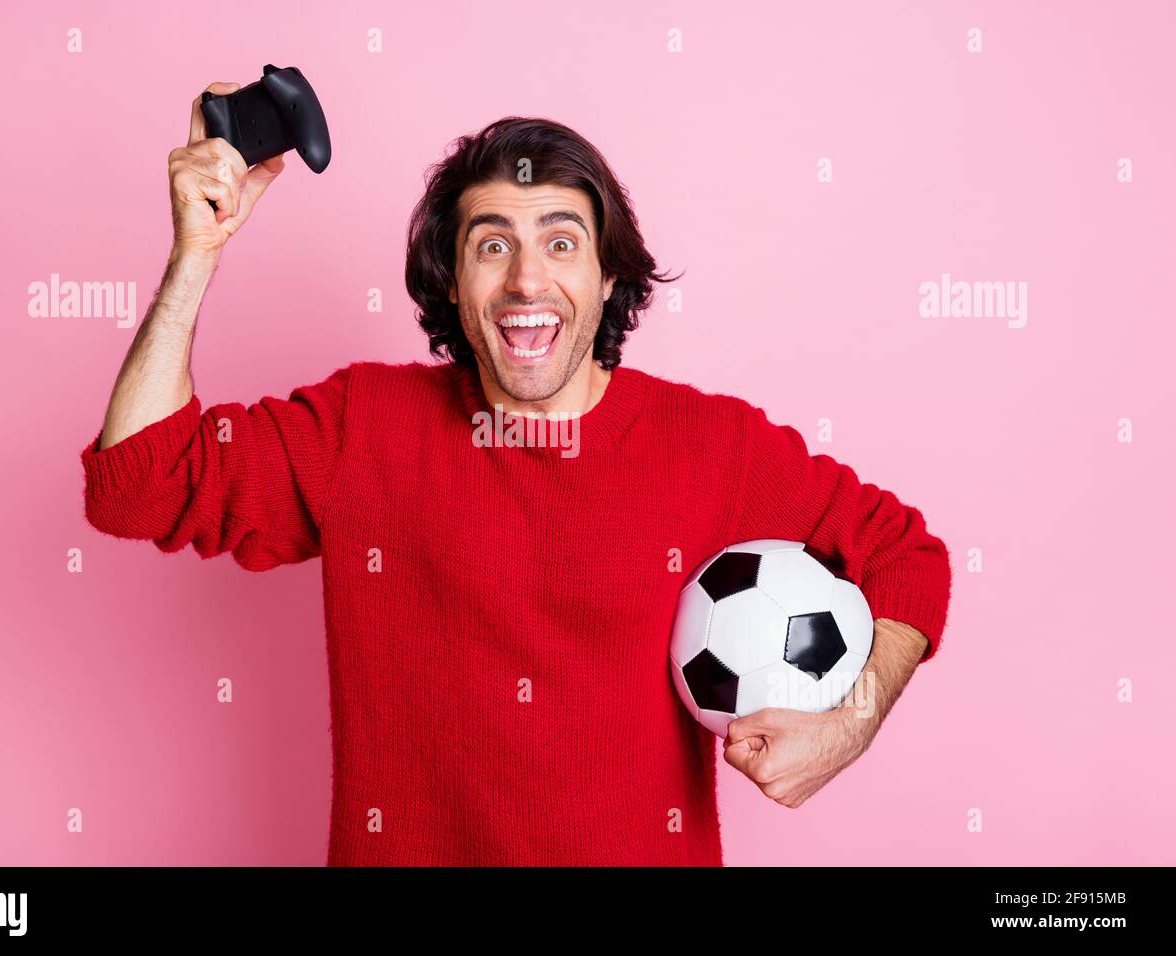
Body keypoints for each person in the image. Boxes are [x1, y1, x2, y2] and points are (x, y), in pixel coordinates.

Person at [81, 83, 953, 866]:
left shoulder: (710, 442)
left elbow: (907, 554)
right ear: (452, 285)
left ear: (610, 277)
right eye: (491, 246)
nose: (527, 279)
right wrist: (197, 252)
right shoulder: (364, 427)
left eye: (562, 243)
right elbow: (136, 486)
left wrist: (851, 722)